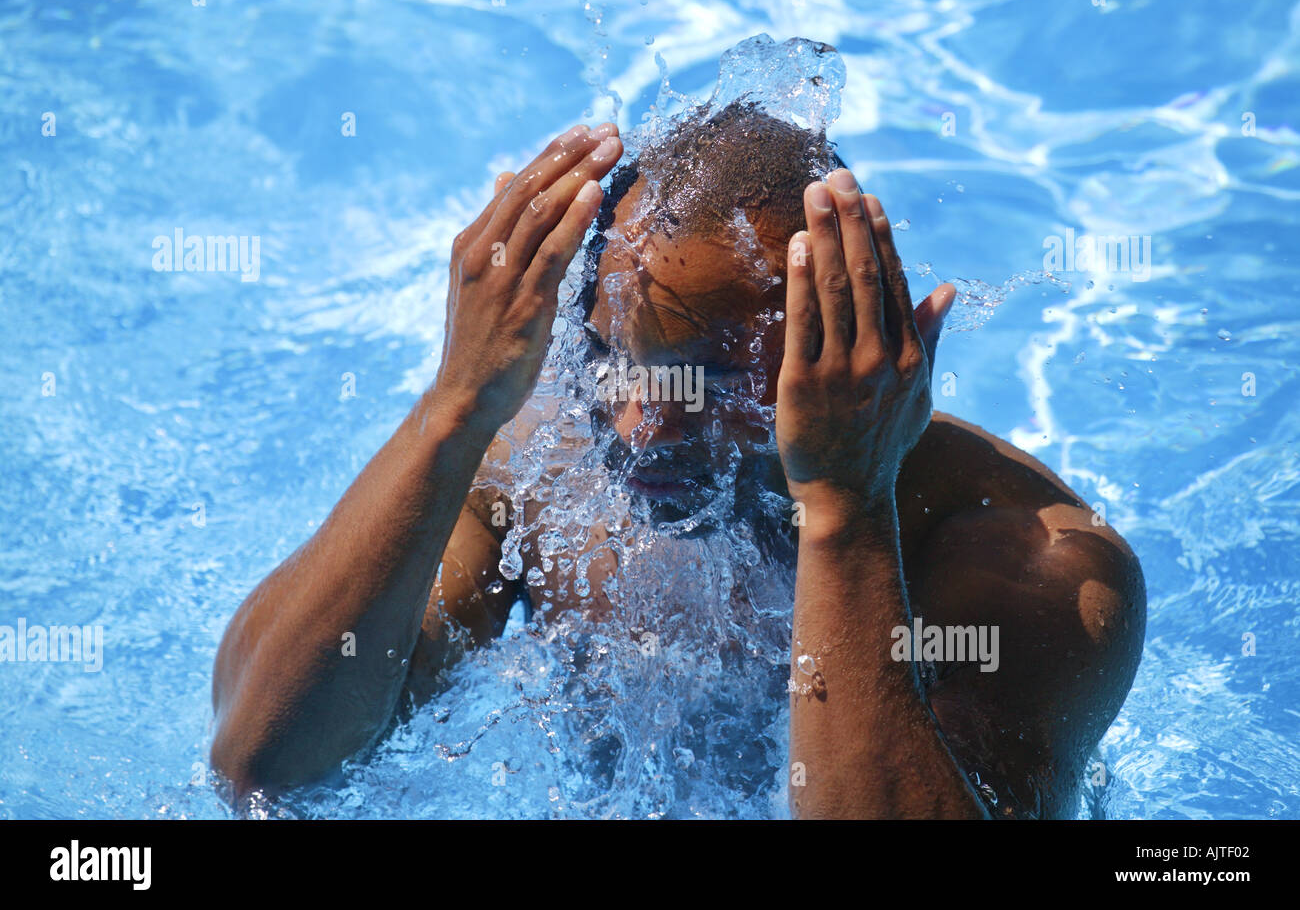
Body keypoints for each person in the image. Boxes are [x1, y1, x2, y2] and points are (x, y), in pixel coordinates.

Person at [210, 102, 1145, 819]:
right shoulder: (536, 472)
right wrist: (453, 409)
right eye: (611, 357)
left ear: (851, 350)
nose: (641, 428)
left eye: (710, 376)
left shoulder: (1033, 567)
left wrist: (845, 508)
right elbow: (266, 765)